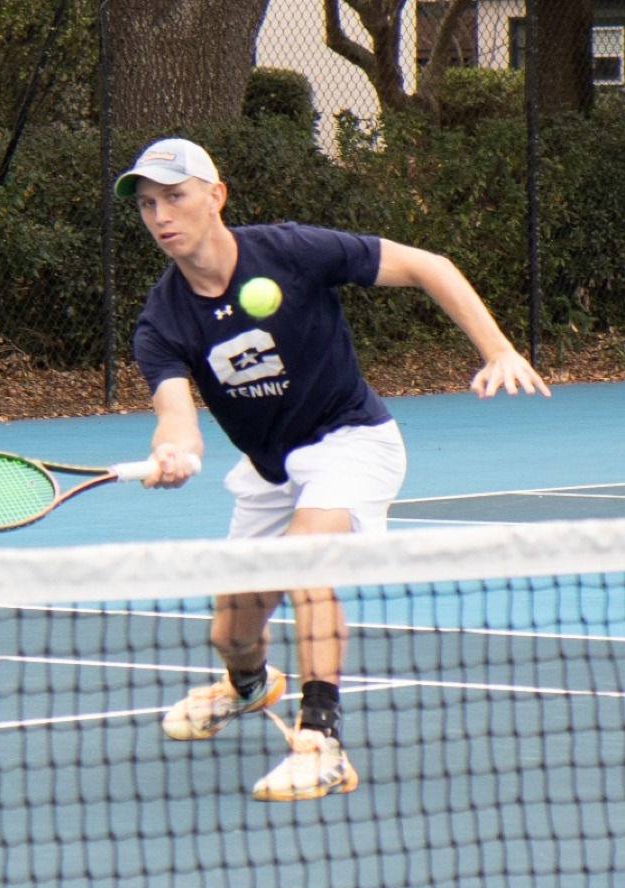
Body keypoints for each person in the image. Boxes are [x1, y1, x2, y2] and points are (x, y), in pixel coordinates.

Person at [118, 137, 549, 802]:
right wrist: (176, 451)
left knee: (305, 558)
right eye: (147, 204)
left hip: (351, 439)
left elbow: (428, 266)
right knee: (230, 632)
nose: (160, 215)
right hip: (268, 469)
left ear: (215, 196)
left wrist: (497, 349)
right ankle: (248, 687)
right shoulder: (161, 319)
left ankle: (320, 741)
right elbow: (176, 414)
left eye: (174, 196)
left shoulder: (290, 251)